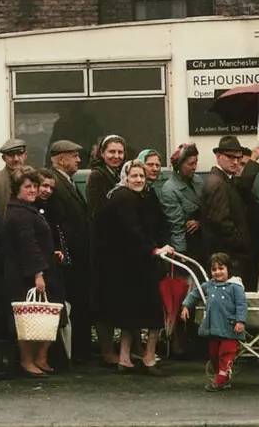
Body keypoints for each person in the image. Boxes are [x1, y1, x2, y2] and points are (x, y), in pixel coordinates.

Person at [95, 160, 174, 375]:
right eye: (134, 176)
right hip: (135, 265)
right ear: (125, 178)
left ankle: (124, 359)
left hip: (129, 265)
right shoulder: (125, 199)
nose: (139, 180)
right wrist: (154, 249)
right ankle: (148, 358)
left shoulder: (129, 197)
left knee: (131, 316)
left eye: (141, 176)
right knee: (154, 315)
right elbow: (132, 231)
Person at [3, 169, 63, 377]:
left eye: (34, 186)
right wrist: (38, 273)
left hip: (39, 269)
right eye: (27, 186)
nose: (32, 190)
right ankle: (28, 361)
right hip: (25, 275)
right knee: (28, 319)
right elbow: (27, 245)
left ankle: (40, 358)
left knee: (43, 315)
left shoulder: (29, 209)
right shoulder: (20, 213)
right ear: (17, 189)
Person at [43, 140, 91, 364]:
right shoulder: (55, 184)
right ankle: (71, 354)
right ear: (61, 159)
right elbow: (58, 221)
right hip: (68, 257)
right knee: (71, 304)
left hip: (76, 255)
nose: (79, 160)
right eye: (74, 156)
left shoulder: (66, 182)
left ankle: (78, 351)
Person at [180, 252, 247, 392]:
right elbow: (194, 294)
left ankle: (220, 380)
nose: (217, 272)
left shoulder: (235, 286)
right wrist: (186, 306)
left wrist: (240, 321)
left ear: (229, 269)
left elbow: (241, 305)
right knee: (213, 353)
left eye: (221, 268)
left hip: (230, 327)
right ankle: (222, 375)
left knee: (225, 353)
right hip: (214, 327)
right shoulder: (209, 285)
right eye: (214, 269)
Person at [86, 134, 126, 365]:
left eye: (120, 152)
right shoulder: (97, 176)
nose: (116, 156)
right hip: (103, 247)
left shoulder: (118, 175)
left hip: (118, 248)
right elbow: (98, 212)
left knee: (115, 300)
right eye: (111, 152)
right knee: (103, 300)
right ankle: (107, 351)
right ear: (102, 153)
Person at [199, 136, 259, 280]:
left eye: (238, 158)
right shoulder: (218, 183)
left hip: (228, 255)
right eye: (230, 157)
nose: (235, 162)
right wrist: (241, 243)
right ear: (218, 157)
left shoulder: (224, 179)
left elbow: (242, 186)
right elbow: (221, 222)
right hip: (227, 256)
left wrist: (253, 160)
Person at [161, 143, 206, 259]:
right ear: (179, 165)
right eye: (190, 164)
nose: (194, 167)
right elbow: (177, 227)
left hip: (204, 239)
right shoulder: (169, 189)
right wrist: (182, 256)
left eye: (196, 162)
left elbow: (208, 207)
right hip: (188, 244)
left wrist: (200, 222)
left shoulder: (197, 180)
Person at [0, 138, 28, 219]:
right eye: (11, 155)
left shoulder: (34, 179)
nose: (16, 159)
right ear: (3, 158)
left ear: (25, 155)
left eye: (19, 154)